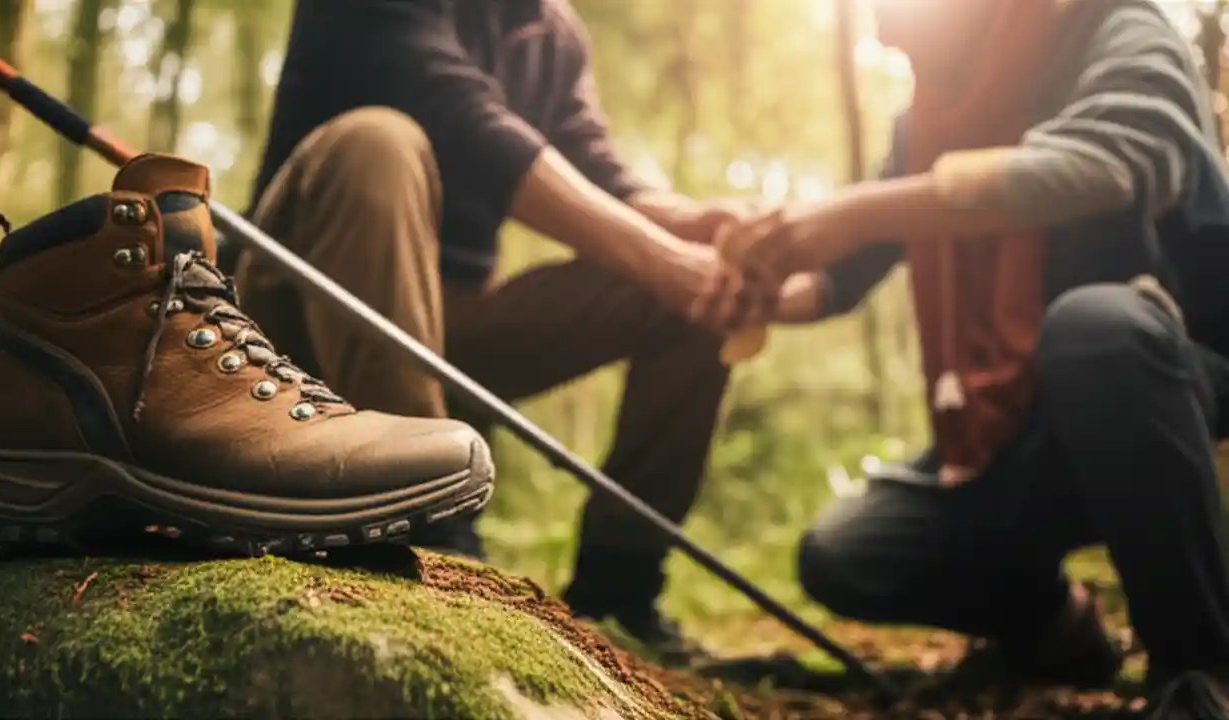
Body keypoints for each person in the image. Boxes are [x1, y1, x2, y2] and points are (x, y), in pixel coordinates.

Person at [704, 0, 1229, 715]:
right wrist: (768, 293)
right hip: (1018, 427)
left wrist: (849, 212)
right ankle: (1057, 630)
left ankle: (1198, 671)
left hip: (1167, 391)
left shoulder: (1116, 30)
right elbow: (847, 270)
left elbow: (1109, 164)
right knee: (847, 554)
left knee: (1095, 327)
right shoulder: (928, 118)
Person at [232, 0, 792, 660]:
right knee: (376, 142)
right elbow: (468, 122)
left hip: (447, 331)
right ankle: (427, 529)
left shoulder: (550, 32)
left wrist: (704, 228)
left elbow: (602, 181)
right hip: (289, 322)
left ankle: (620, 589)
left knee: (700, 294)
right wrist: (667, 259)